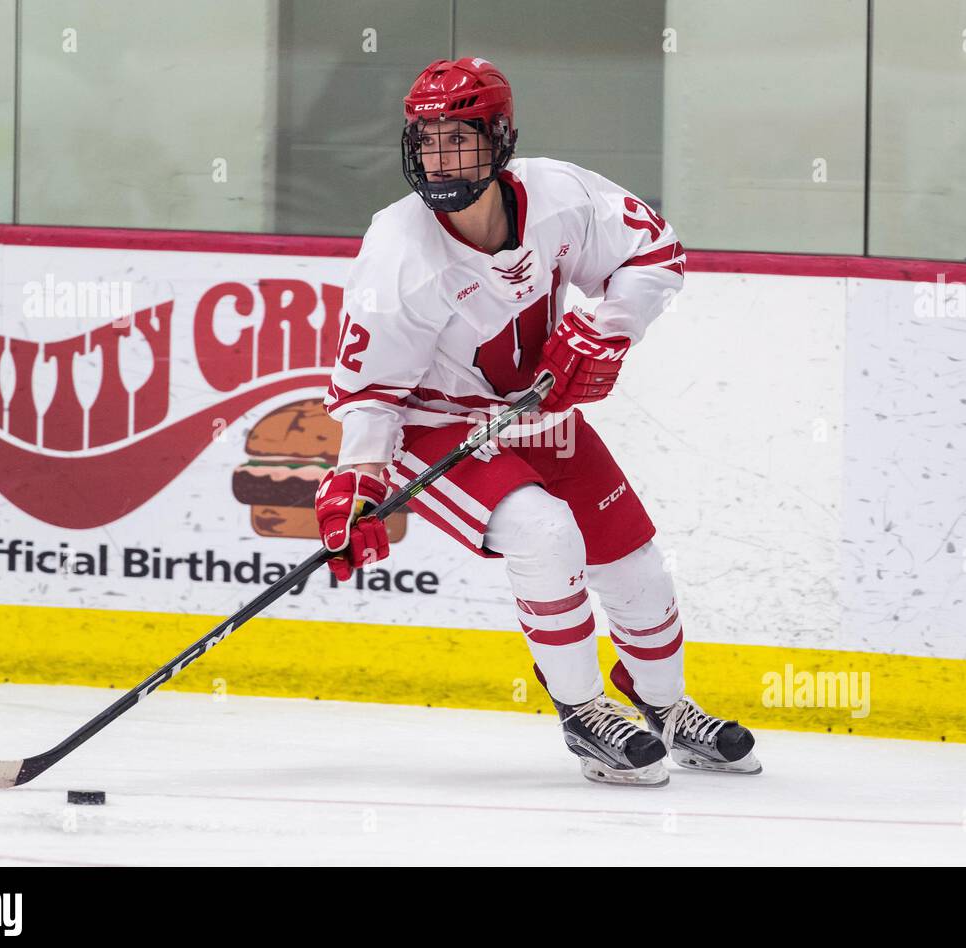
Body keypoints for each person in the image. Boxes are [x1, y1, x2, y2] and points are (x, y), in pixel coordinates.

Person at [313, 56, 759, 786]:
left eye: (458, 138)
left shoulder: (559, 197)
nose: (439, 156)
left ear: (499, 139)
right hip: (436, 427)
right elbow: (370, 394)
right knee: (545, 533)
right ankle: (585, 715)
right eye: (426, 139)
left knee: (639, 568)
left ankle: (668, 707)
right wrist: (355, 480)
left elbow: (658, 251)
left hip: (534, 412)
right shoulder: (398, 251)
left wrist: (611, 327)